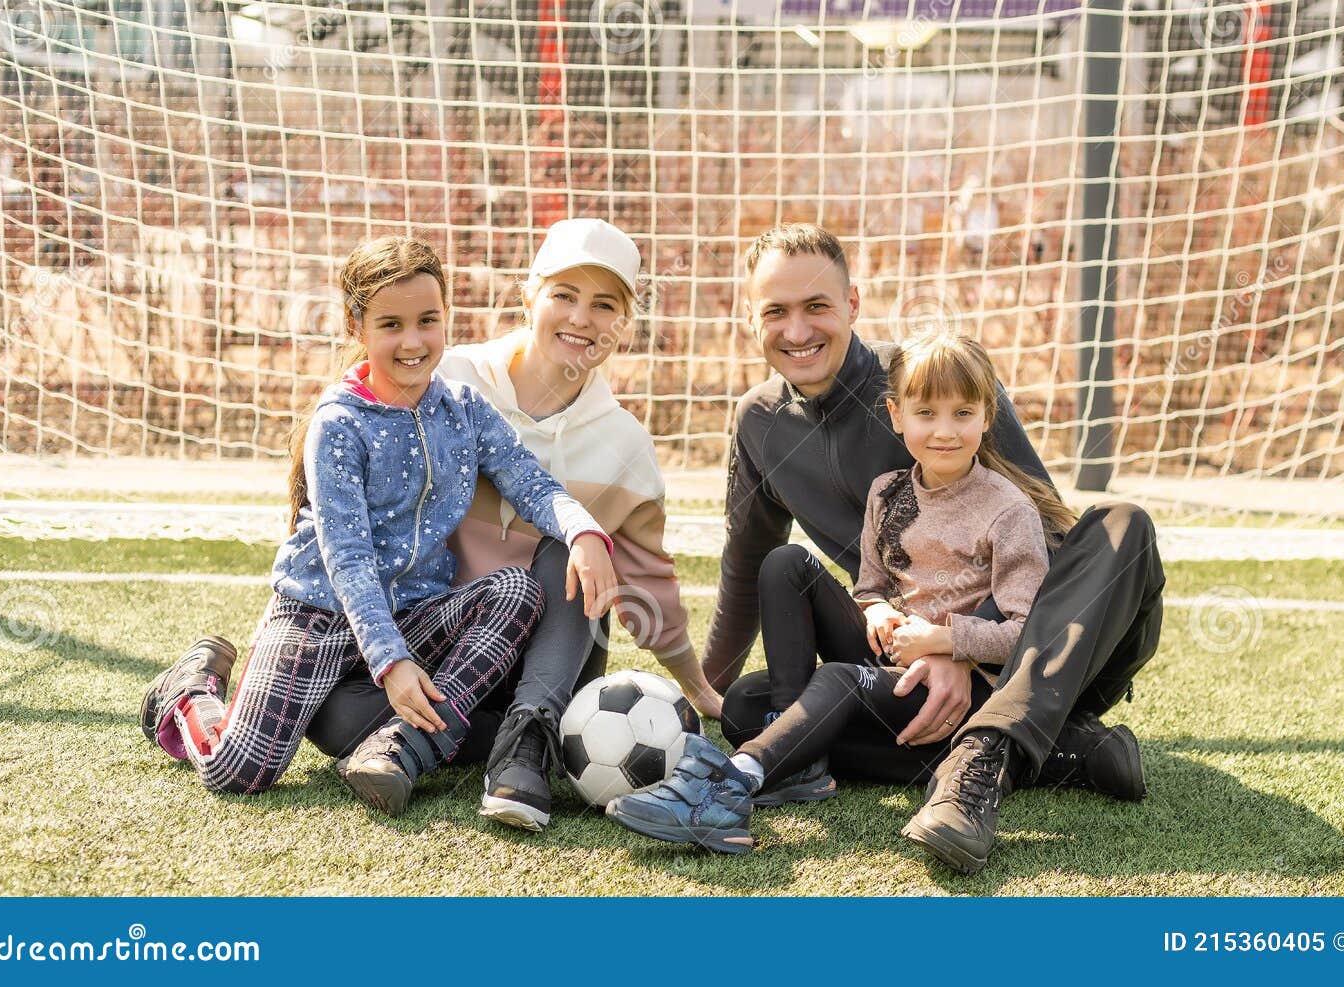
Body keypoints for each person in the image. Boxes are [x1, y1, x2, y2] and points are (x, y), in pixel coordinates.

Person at [702, 224, 1165, 874]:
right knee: (754, 711)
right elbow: (747, 570)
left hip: (1039, 650)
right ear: (750, 318)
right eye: (776, 310)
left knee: (1122, 524)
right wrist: (703, 697)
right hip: (912, 651)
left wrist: (960, 645)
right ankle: (1069, 755)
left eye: (816, 306)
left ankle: (986, 753)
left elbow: (1047, 535)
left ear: (853, 303)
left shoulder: (932, 382)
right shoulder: (759, 421)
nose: (797, 329)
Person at [137, 235, 618, 817]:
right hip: (318, 618)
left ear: (447, 319)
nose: (412, 342)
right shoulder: (338, 424)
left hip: (418, 613)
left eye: (428, 320)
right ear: (356, 325)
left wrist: (585, 533)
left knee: (517, 590)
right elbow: (349, 561)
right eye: (392, 324)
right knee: (239, 771)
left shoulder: (463, 408)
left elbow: (531, 483)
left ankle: (410, 744)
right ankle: (188, 690)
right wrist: (390, 664)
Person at [302, 218, 722, 831]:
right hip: (445, 641)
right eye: (564, 296)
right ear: (528, 295)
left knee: (570, 544)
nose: (581, 319)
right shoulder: (446, 378)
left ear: (624, 323)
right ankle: (476, 734)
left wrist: (701, 688)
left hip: (551, 652)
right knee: (333, 719)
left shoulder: (627, 444)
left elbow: (649, 581)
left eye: (604, 305)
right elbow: (337, 517)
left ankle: (527, 741)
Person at [607, 331, 1066, 854]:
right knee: (775, 597)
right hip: (894, 658)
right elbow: (870, 587)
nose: (944, 431)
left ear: (988, 417)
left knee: (841, 680)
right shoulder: (887, 491)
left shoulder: (1009, 511)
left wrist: (941, 641)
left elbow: (1026, 633)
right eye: (926, 413)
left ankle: (736, 779)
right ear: (897, 416)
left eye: (963, 413)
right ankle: (799, 758)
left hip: (959, 688)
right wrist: (876, 611)